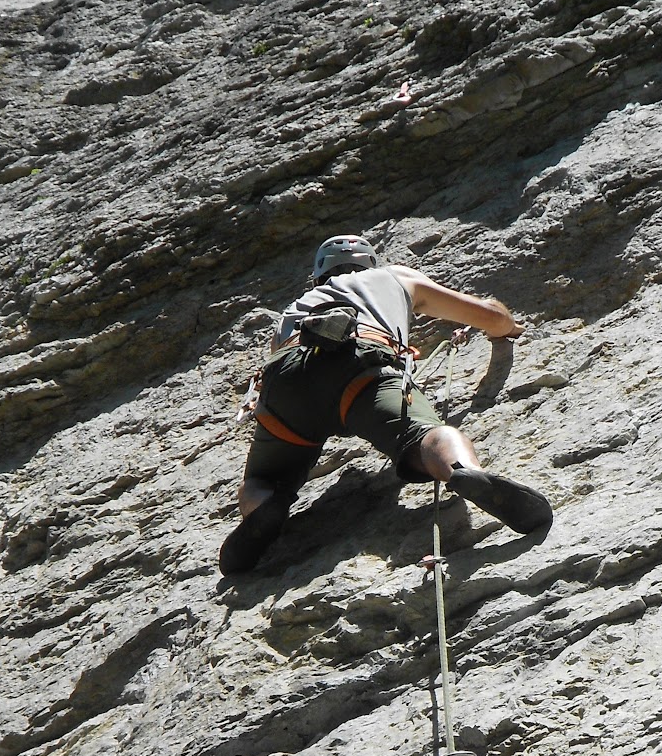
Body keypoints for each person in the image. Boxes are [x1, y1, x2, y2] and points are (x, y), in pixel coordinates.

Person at [218, 234, 553, 575]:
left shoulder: (294, 310)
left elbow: (279, 363)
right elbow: (491, 317)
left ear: (319, 274)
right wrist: (507, 326)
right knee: (427, 435)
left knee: (261, 479)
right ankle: (465, 471)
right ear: (369, 262)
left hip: (287, 383)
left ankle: (263, 508)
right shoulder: (394, 277)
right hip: (361, 370)